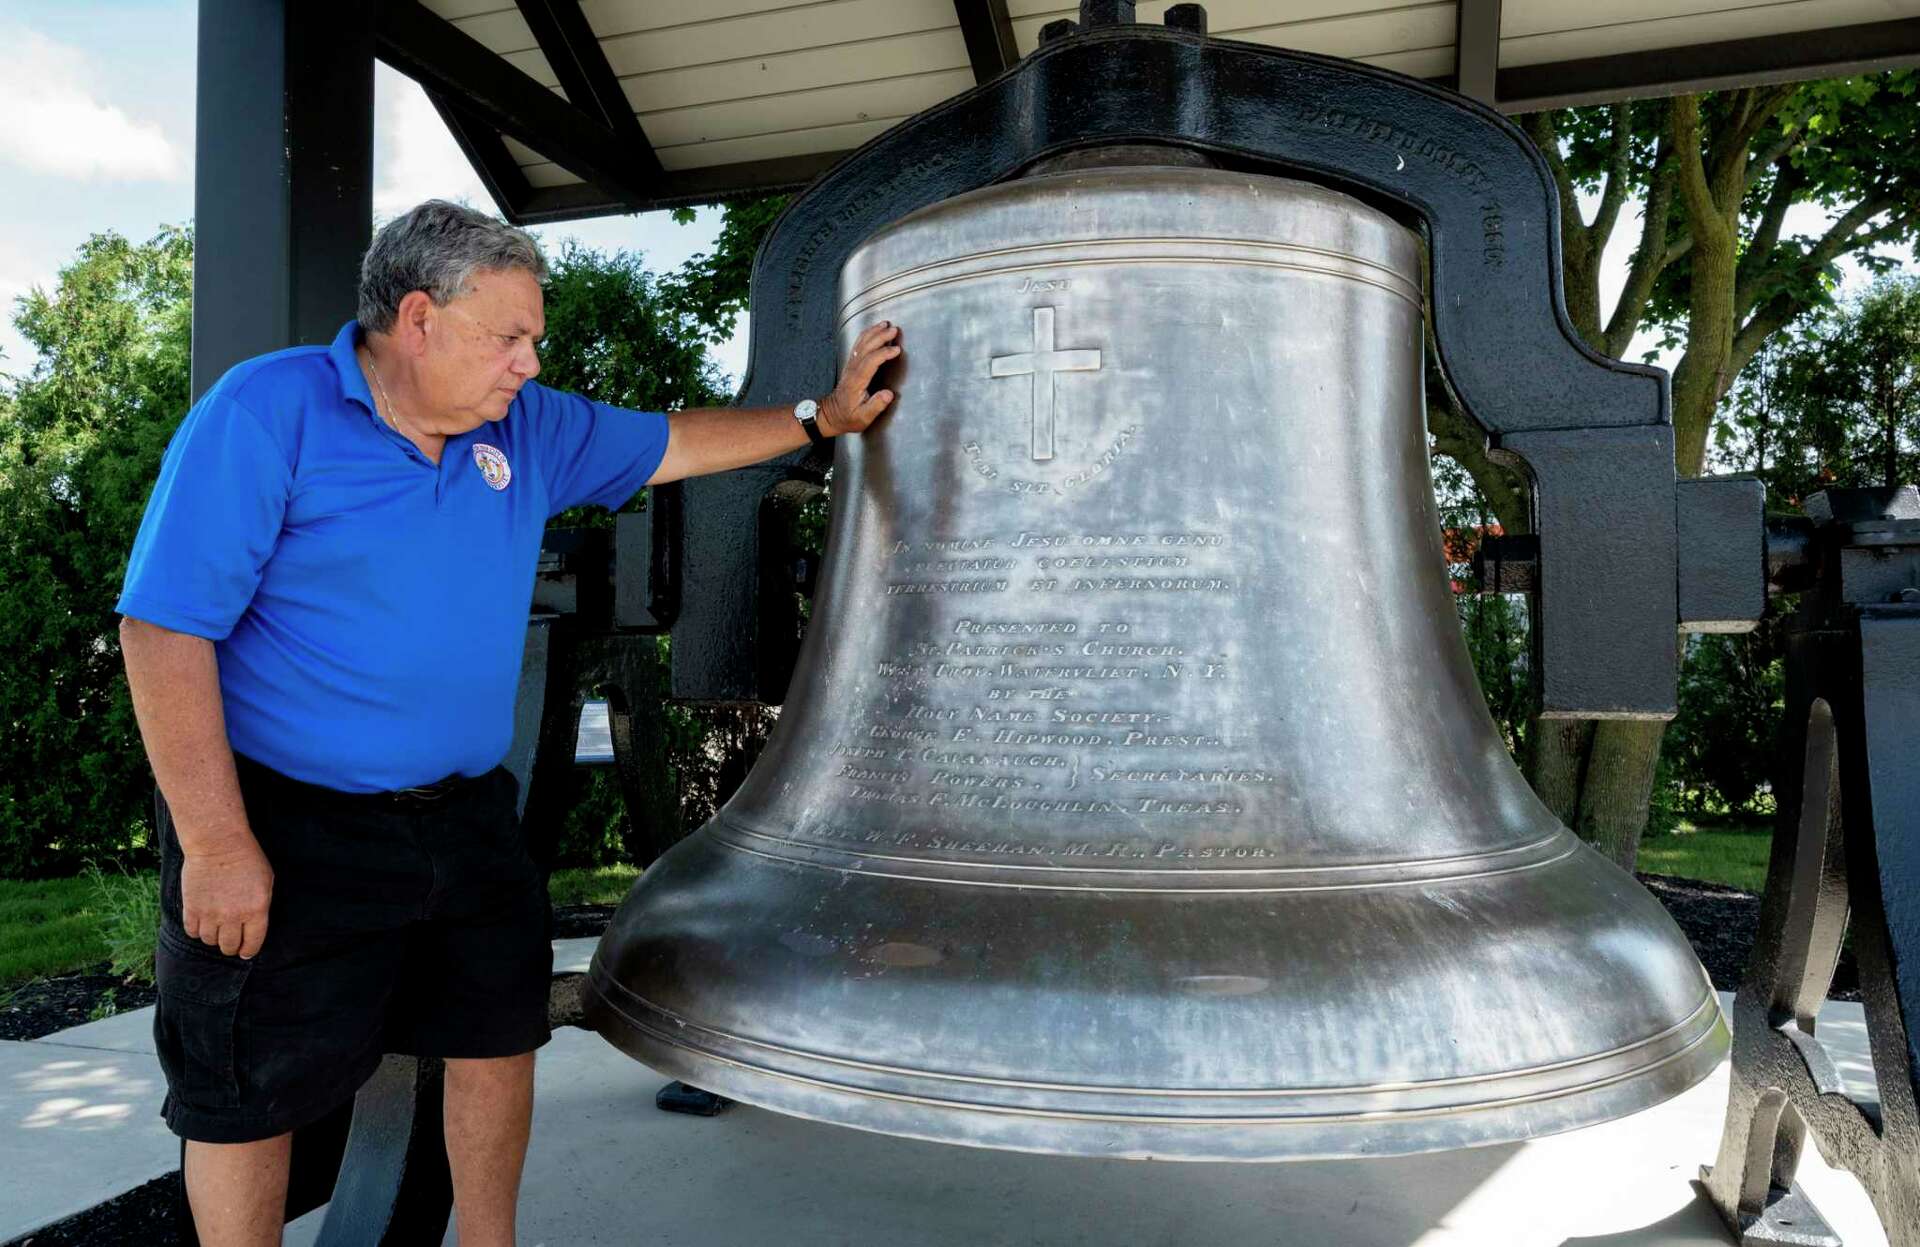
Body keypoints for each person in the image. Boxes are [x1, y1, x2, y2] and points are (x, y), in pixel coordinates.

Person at [116, 199, 901, 1247]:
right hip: (286, 818)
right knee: (250, 1081)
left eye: (535, 338)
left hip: (465, 816)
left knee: (496, 1033)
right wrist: (216, 841)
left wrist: (820, 418)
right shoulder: (267, 414)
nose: (530, 362)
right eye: (510, 336)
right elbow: (163, 628)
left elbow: (675, 441)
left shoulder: (524, 430)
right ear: (418, 319)